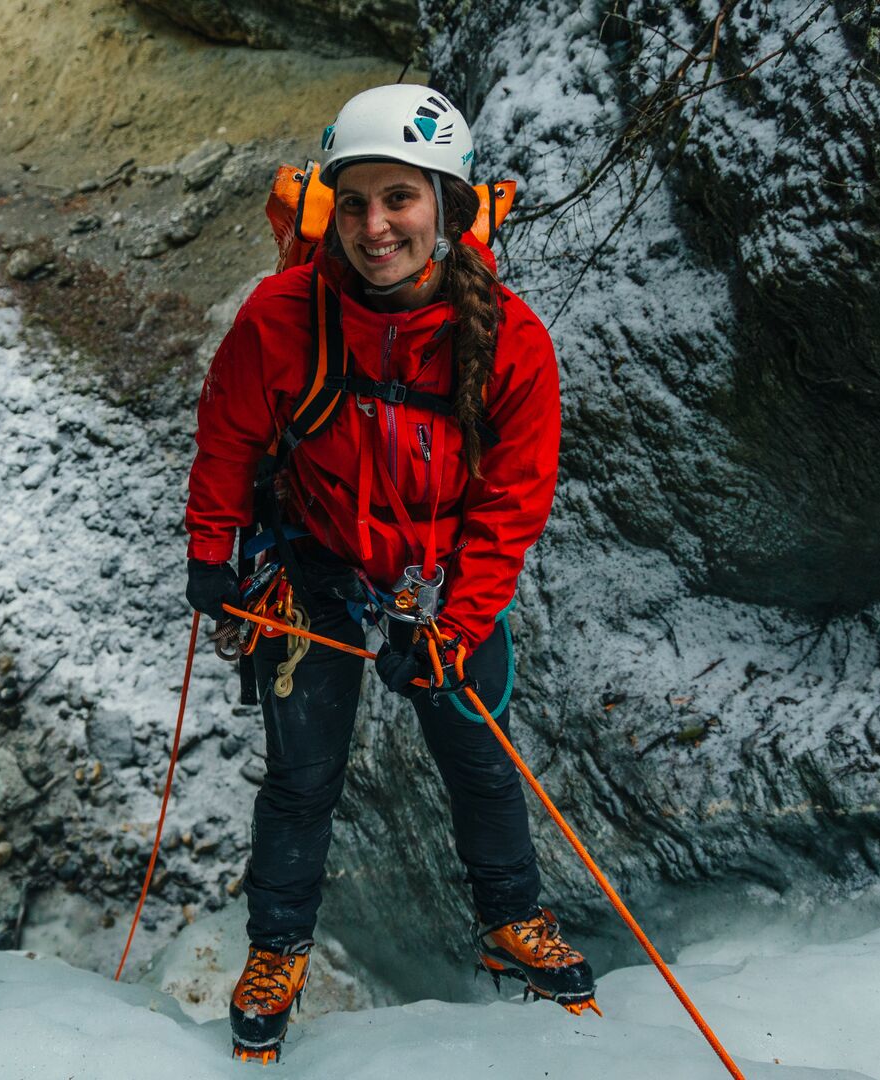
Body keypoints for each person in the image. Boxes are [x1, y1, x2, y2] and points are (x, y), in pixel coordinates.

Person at [182, 84, 589, 1063]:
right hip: (313, 557)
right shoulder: (283, 315)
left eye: (399, 198)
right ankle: (277, 950)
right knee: (301, 775)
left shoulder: (511, 343)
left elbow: (511, 501)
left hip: (445, 577)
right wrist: (209, 552)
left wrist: (453, 627)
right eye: (354, 200)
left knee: (477, 757)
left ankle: (508, 920)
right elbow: (229, 432)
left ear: (444, 206)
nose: (374, 227)